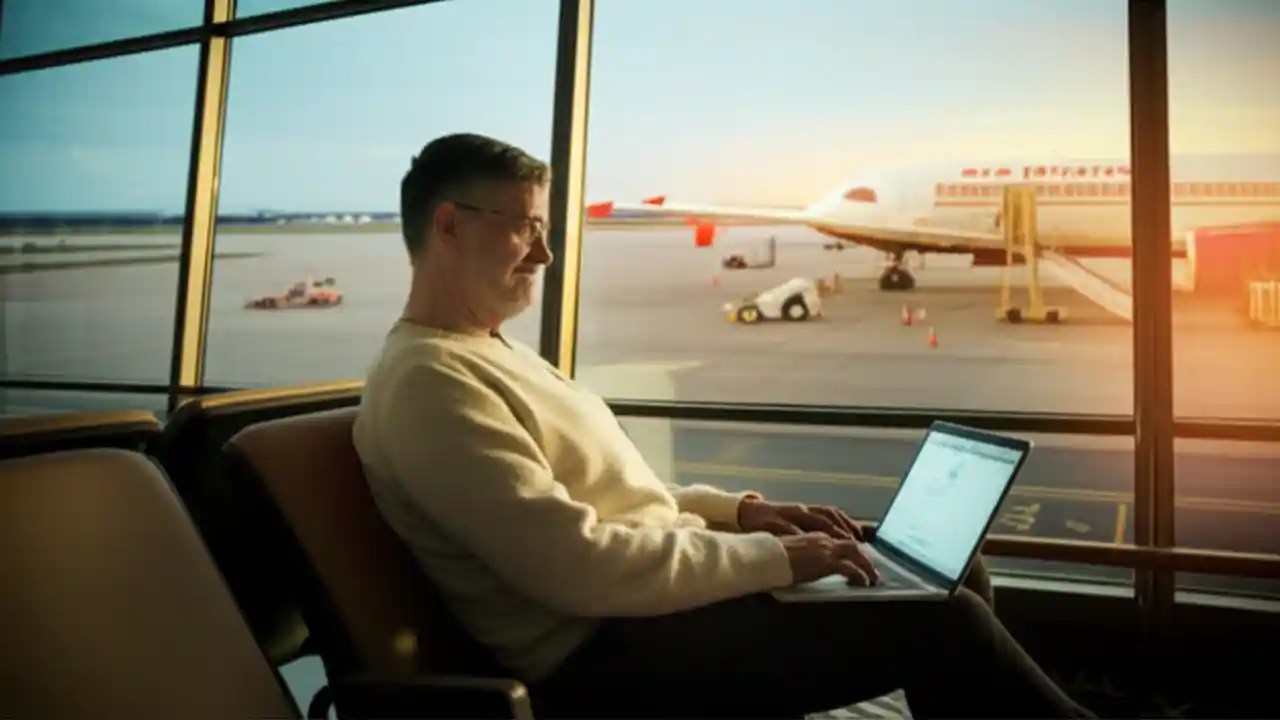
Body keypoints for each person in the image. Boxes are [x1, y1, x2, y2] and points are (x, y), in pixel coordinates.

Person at [352, 133, 1094, 719]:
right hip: (607, 654)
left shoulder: (487, 351)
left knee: (946, 570)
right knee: (944, 620)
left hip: (649, 606)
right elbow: (577, 563)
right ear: (449, 225)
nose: (545, 253)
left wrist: (741, 514)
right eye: (525, 228)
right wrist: (776, 559)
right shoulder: (428, 383)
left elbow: (614, 502)